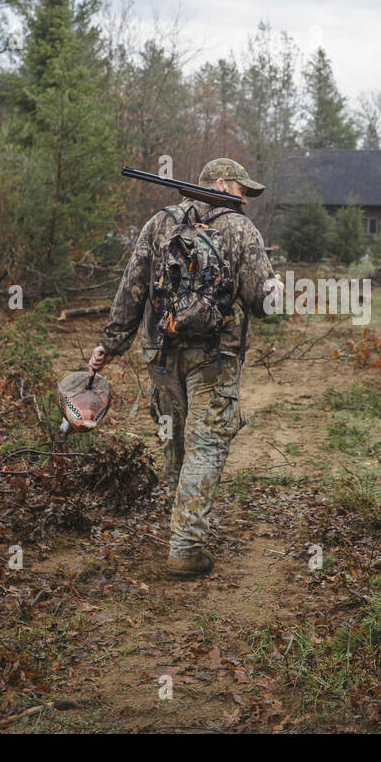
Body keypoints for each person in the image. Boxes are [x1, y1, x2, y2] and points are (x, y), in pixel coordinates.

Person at [89, 159, 276, 577]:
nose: (246, 200)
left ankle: (180, 526)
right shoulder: (241, 230)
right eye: (242, 190)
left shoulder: (160, 223)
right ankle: (186, 547)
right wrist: (275, 288)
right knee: (206, 444)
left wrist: (110, 344)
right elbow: (263, 304)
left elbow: (132, 287)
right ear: (222, 184)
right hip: (215, 356)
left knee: (174, 440)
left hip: (161, 352)